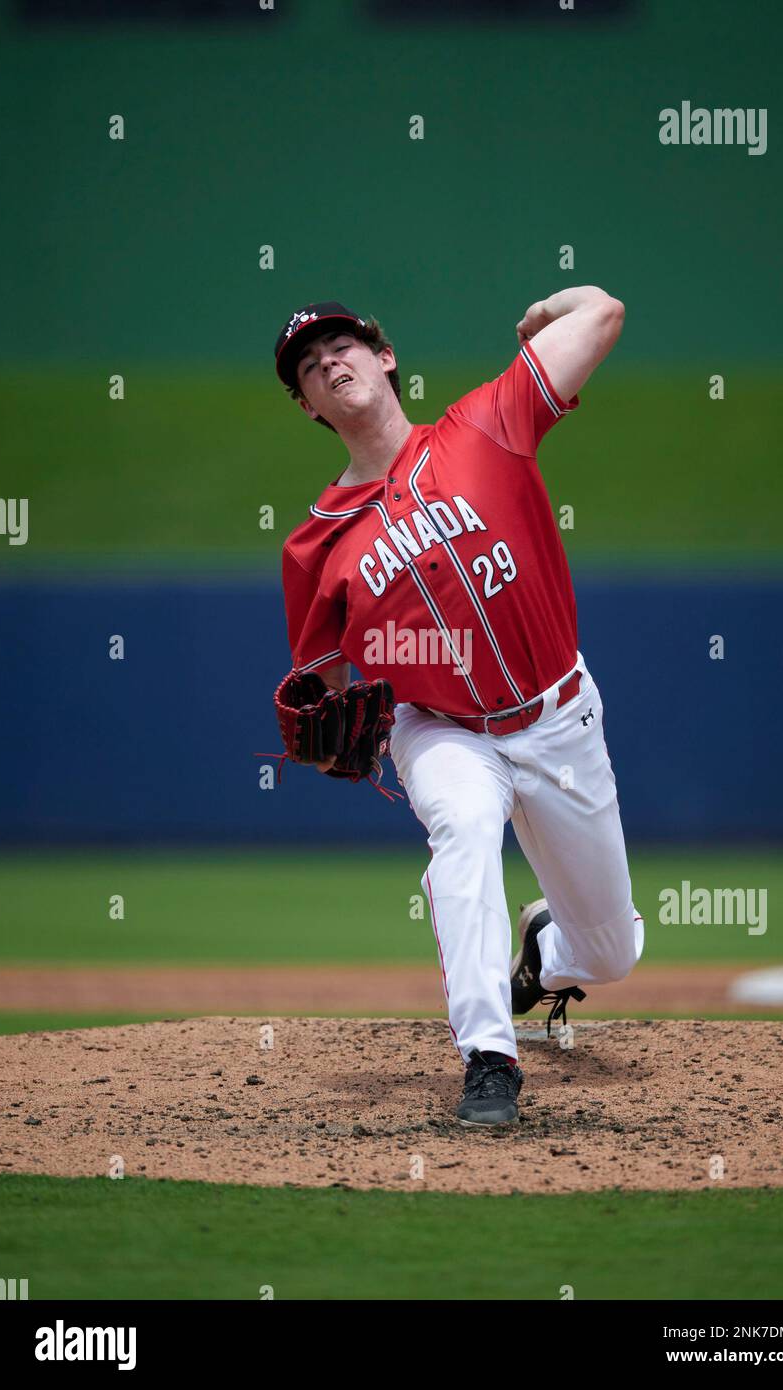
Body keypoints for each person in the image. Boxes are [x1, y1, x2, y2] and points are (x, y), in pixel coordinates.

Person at [275, 293, 644, 1127]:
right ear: (308, 404)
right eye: (310, 364)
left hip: (558, 717)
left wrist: (554, 308)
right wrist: (330, 731)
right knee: (464, 831)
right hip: (439, 730)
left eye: (345, 346)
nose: (332, 362)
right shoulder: (315, 545)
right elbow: (328, 684)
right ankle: (489, 1058)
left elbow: (607, 315)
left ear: (385, 357)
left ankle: (548, 952)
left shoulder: (486, 424)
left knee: (612, 953)